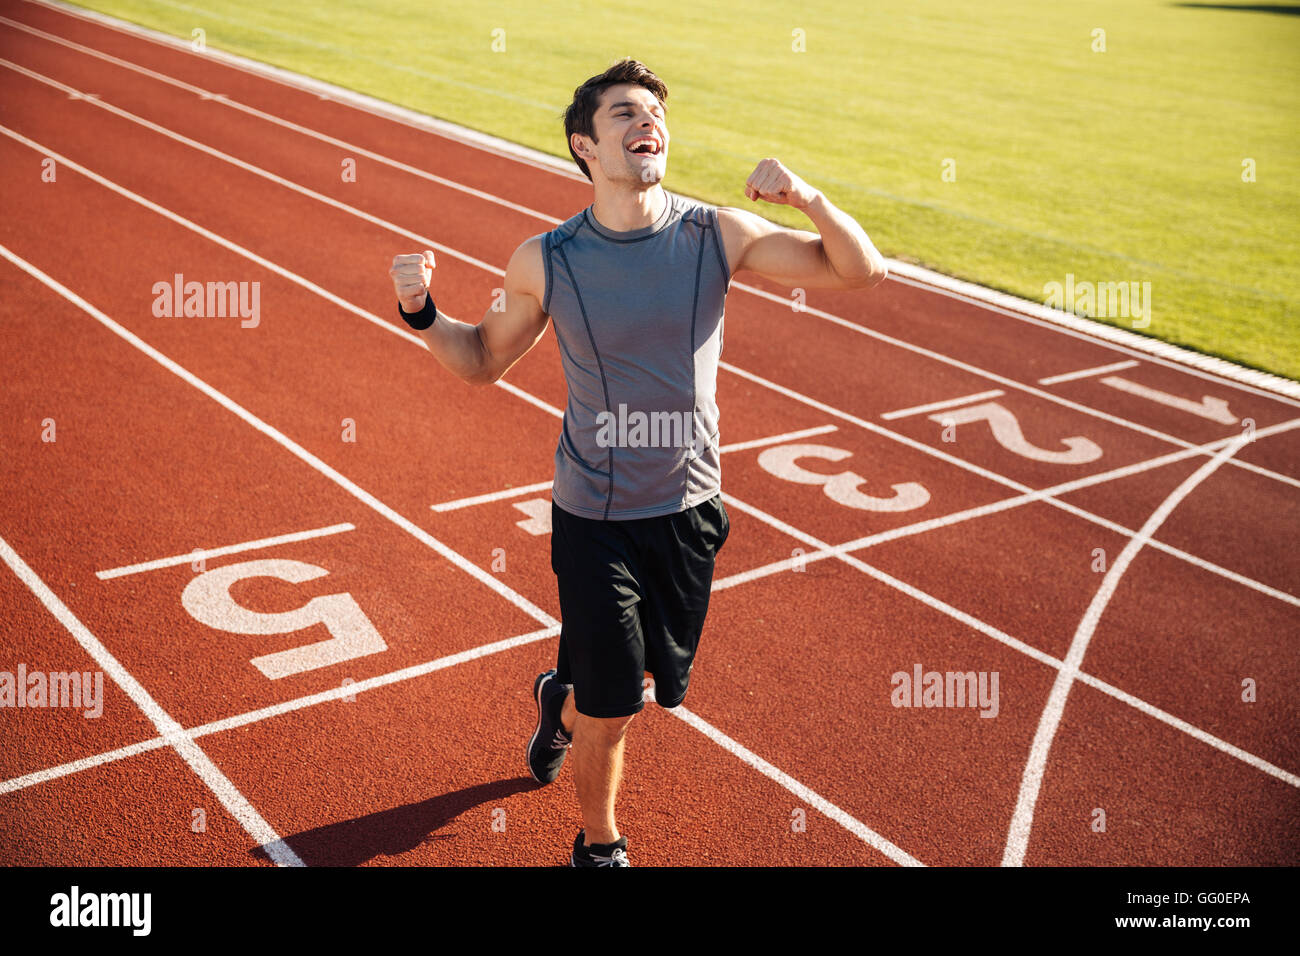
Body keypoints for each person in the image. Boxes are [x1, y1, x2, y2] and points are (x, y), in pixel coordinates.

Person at [389, 58, 887, 867]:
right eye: (623, 113)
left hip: (690, 511)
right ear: (585, 145)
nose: (644, 122)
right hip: (595, 517)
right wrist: (420, 313)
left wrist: (806, 197)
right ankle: (598, 847)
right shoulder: (547, 259)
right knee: (618, 709)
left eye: (652, 111)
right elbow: (481, 360)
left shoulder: (715, 235)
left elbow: (862, 271)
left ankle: (562, 695)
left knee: (646, 687)